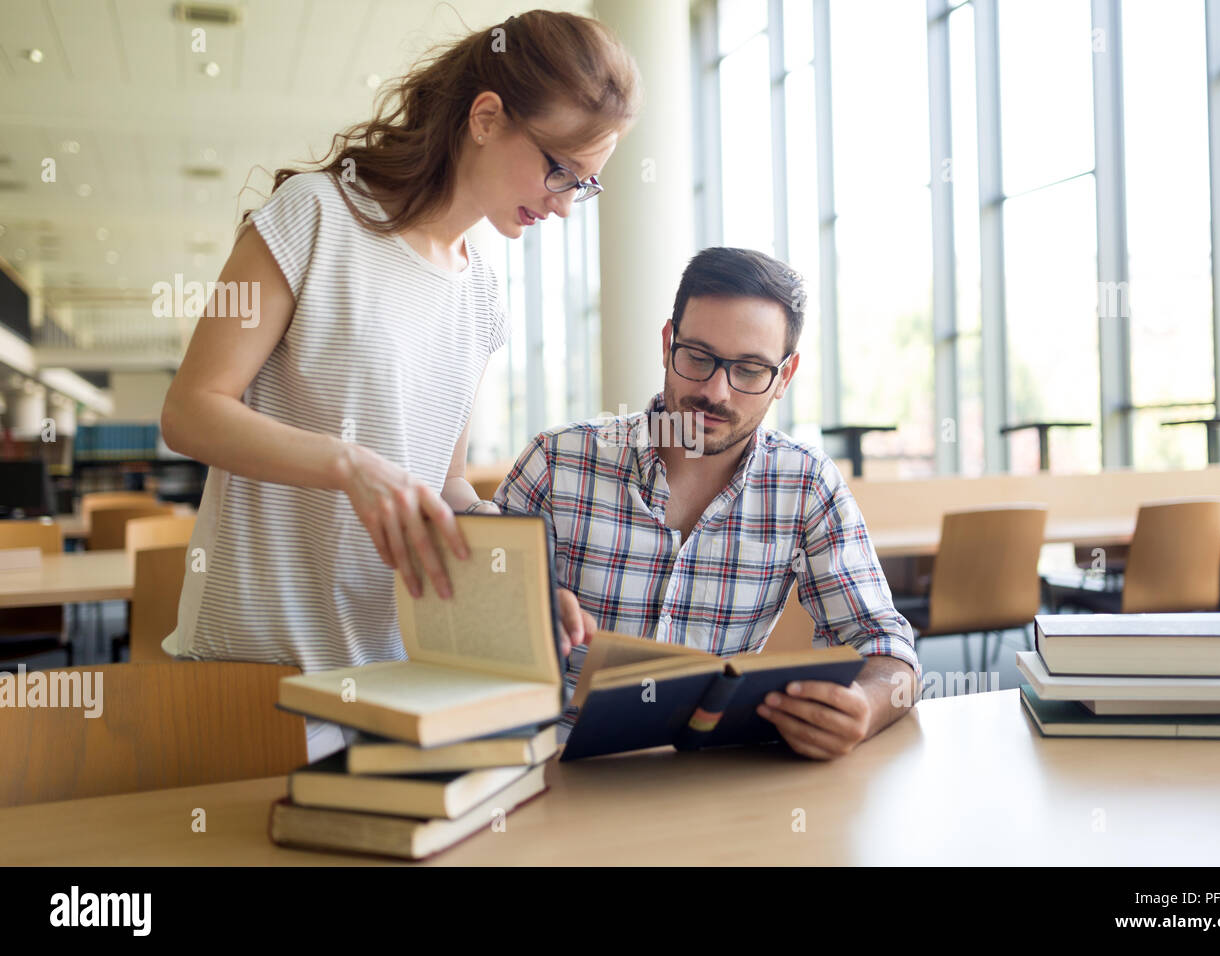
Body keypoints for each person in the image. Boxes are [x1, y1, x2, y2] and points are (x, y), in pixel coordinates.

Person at [160, 11, 638, 760]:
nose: (565, 203)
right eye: (558, 170)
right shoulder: (314, 215)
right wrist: (349, 464)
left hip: (398, 689)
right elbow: (190, 411)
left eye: (586, 184)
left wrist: (516, 583)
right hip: (255, 673)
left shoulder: (482, 292)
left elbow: (444, 483)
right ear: (486, 118)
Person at [495, 247, 920, 759]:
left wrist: (866, 705)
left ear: (784, 377)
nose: (716, 391)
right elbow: (467, 629)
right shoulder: (556, 463)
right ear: (667, 342)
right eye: (697, 357)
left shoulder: (804, 484)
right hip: (550, 768)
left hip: (710, 779)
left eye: (749, 370)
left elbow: (885, 645)